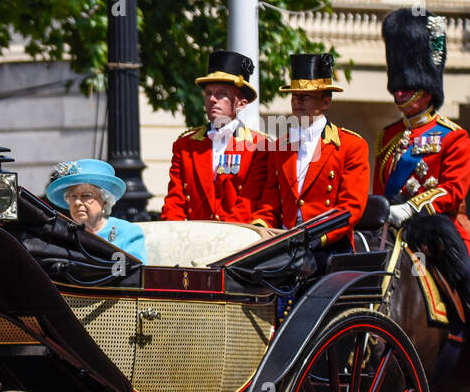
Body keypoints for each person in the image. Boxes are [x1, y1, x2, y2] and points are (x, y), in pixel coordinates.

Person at [249, 53, 370, 265]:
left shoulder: (351, 146)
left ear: (325, 101)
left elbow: (351, 208)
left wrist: (313, 238)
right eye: (294, 96)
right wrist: (259, 231)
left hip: (329, 246)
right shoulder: (279, 148)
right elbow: (269, 204)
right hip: (283, 245)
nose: (297, 101)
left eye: (305, 96)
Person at [373, 7, 470, 251]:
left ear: (426, 90)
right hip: (389, 233)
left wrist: (410, 207)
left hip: (437, 233)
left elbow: (452, 191)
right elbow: (379, 192)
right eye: (397, 86)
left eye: (406, 87)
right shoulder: (388, 136)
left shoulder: (454, 137)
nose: (399, 92)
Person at [162, 50, 268, 222]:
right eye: (208, 93)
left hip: (239, 242)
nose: (212, 99)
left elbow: (248, 204)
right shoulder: (185, 145)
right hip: (192, 241)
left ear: (241, 103)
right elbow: (174, 202)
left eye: (221, 94)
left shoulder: (259, 147)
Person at [45, 159, 147, 263]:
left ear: (105, 201)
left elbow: (133, 274)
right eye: (73, 196)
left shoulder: (127, 232)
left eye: (86, 196)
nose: (77, 202)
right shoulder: (64, 235)